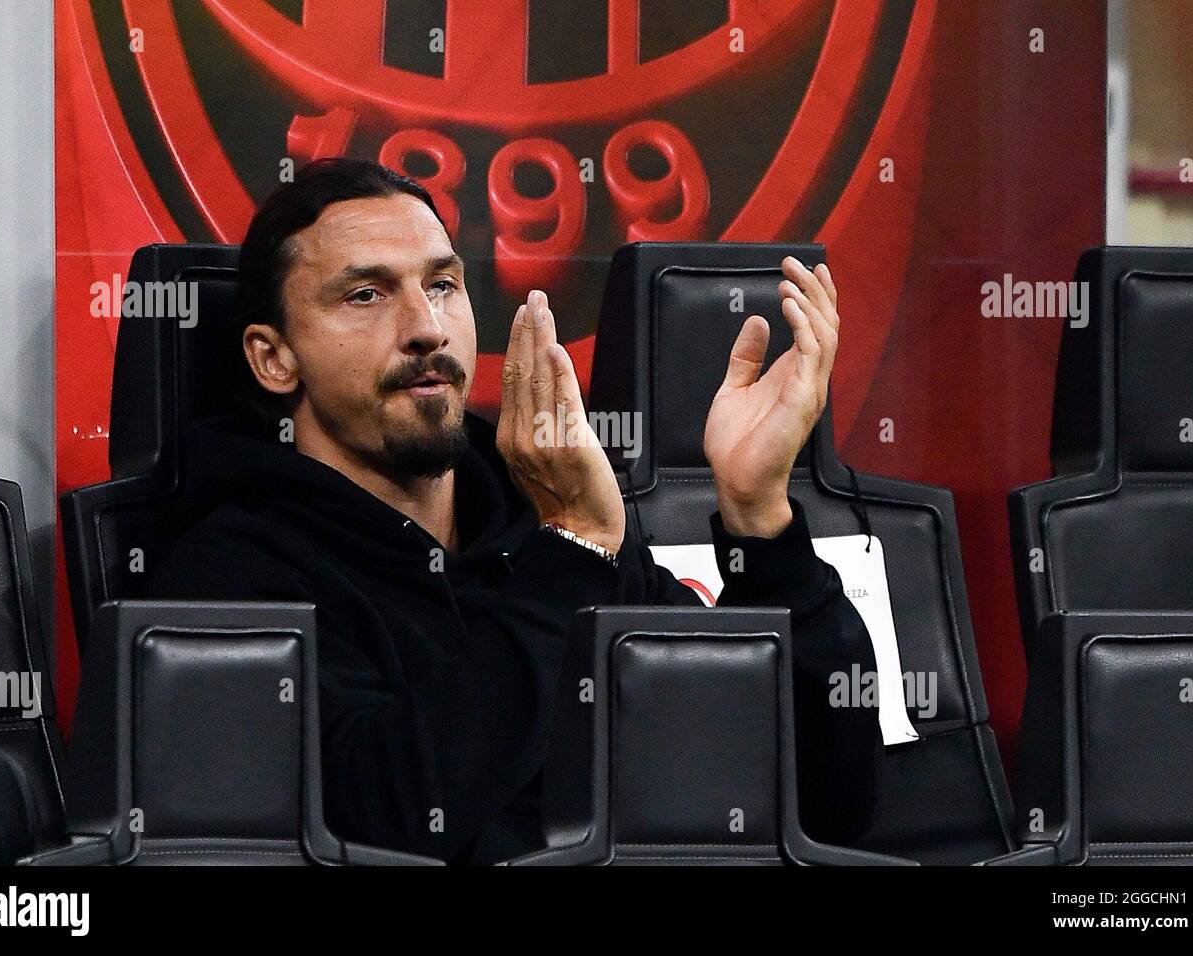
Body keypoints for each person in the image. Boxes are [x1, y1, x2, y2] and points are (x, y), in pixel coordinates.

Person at [149, 158, 881, 864]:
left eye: (442, 284)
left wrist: (761, 522)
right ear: (275, 358)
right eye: (365, 295)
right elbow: (375, 822)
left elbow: (820, 803)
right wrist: (567, 551)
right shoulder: (230, 574)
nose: (426, 327)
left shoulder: (542, 506)